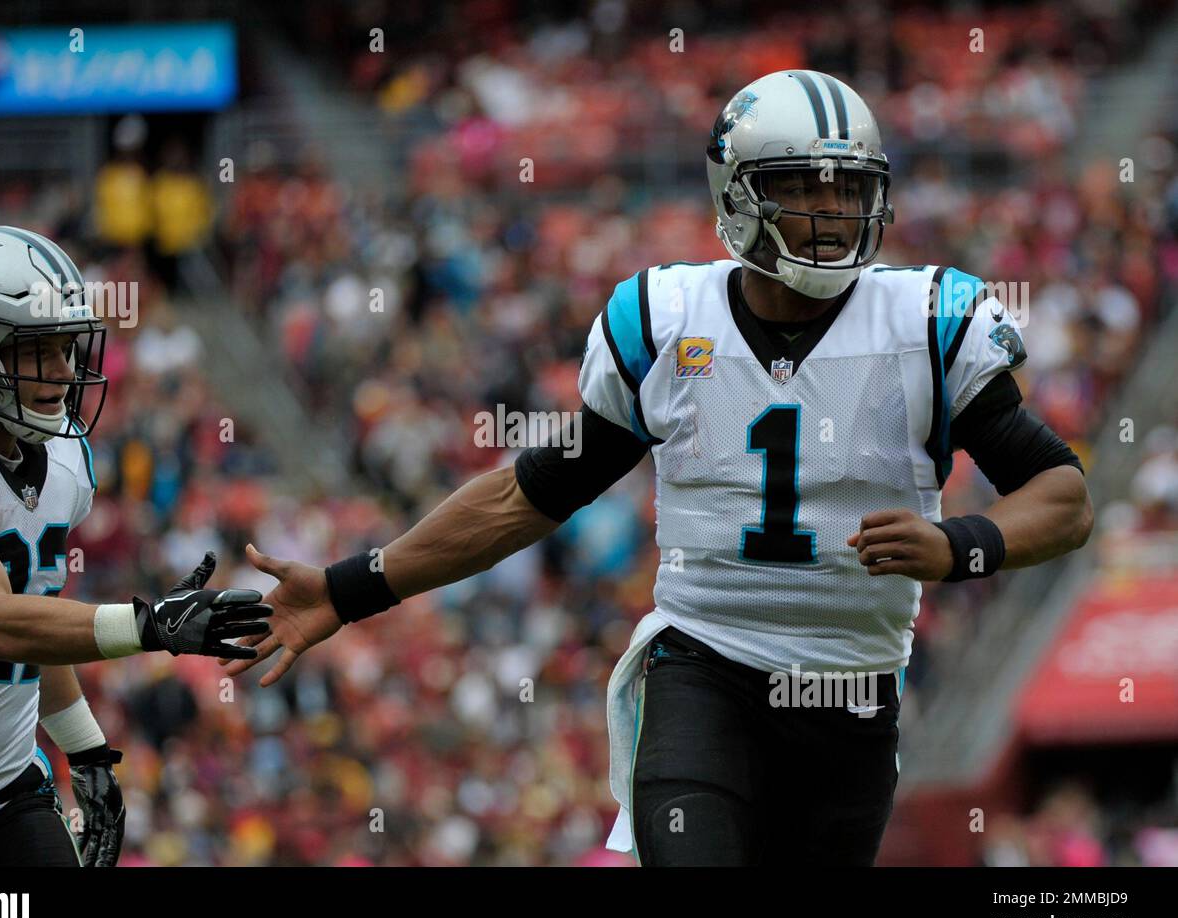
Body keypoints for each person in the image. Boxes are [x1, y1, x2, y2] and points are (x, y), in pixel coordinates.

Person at [228, 71, 1093, 866]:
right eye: (801, 184)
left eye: (849, 185)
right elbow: (525, 497)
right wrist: (350, 588)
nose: (832, 209)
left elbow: (1062, 496)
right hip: (705, 670)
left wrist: (959, 545)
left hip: (851, 694)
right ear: (739, 194)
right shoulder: (667, 323)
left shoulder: (928, 324)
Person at [0, 226, 270, 866]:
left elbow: (35, 621)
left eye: (67, 348)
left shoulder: (63, 463)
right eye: (38, 350)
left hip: (3, 792)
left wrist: (85, 751)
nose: (65, 372)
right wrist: (151, 625)